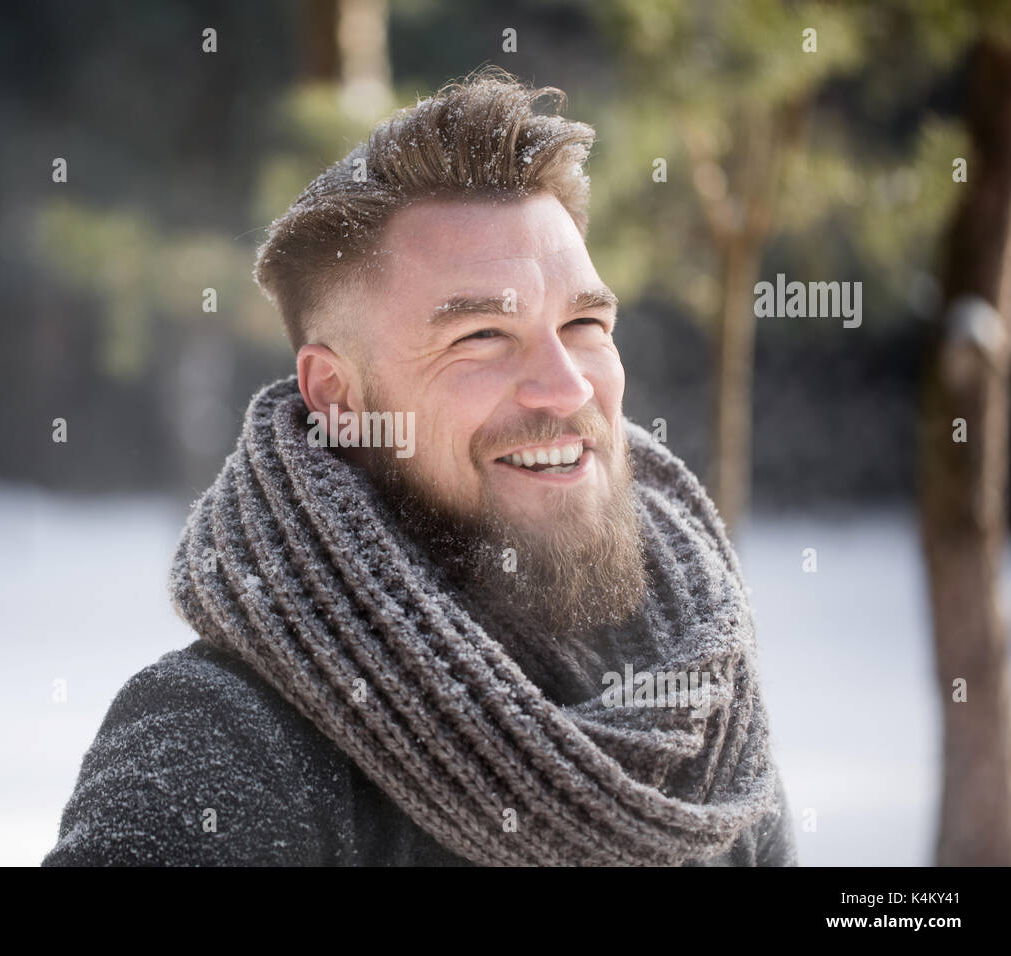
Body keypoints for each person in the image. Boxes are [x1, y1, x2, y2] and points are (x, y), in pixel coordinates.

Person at [42, 66, 797, 867]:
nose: (567, 386)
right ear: (336, 396)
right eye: (480, 337)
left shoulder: (697, 719)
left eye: (584, 323)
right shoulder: (221, 744)